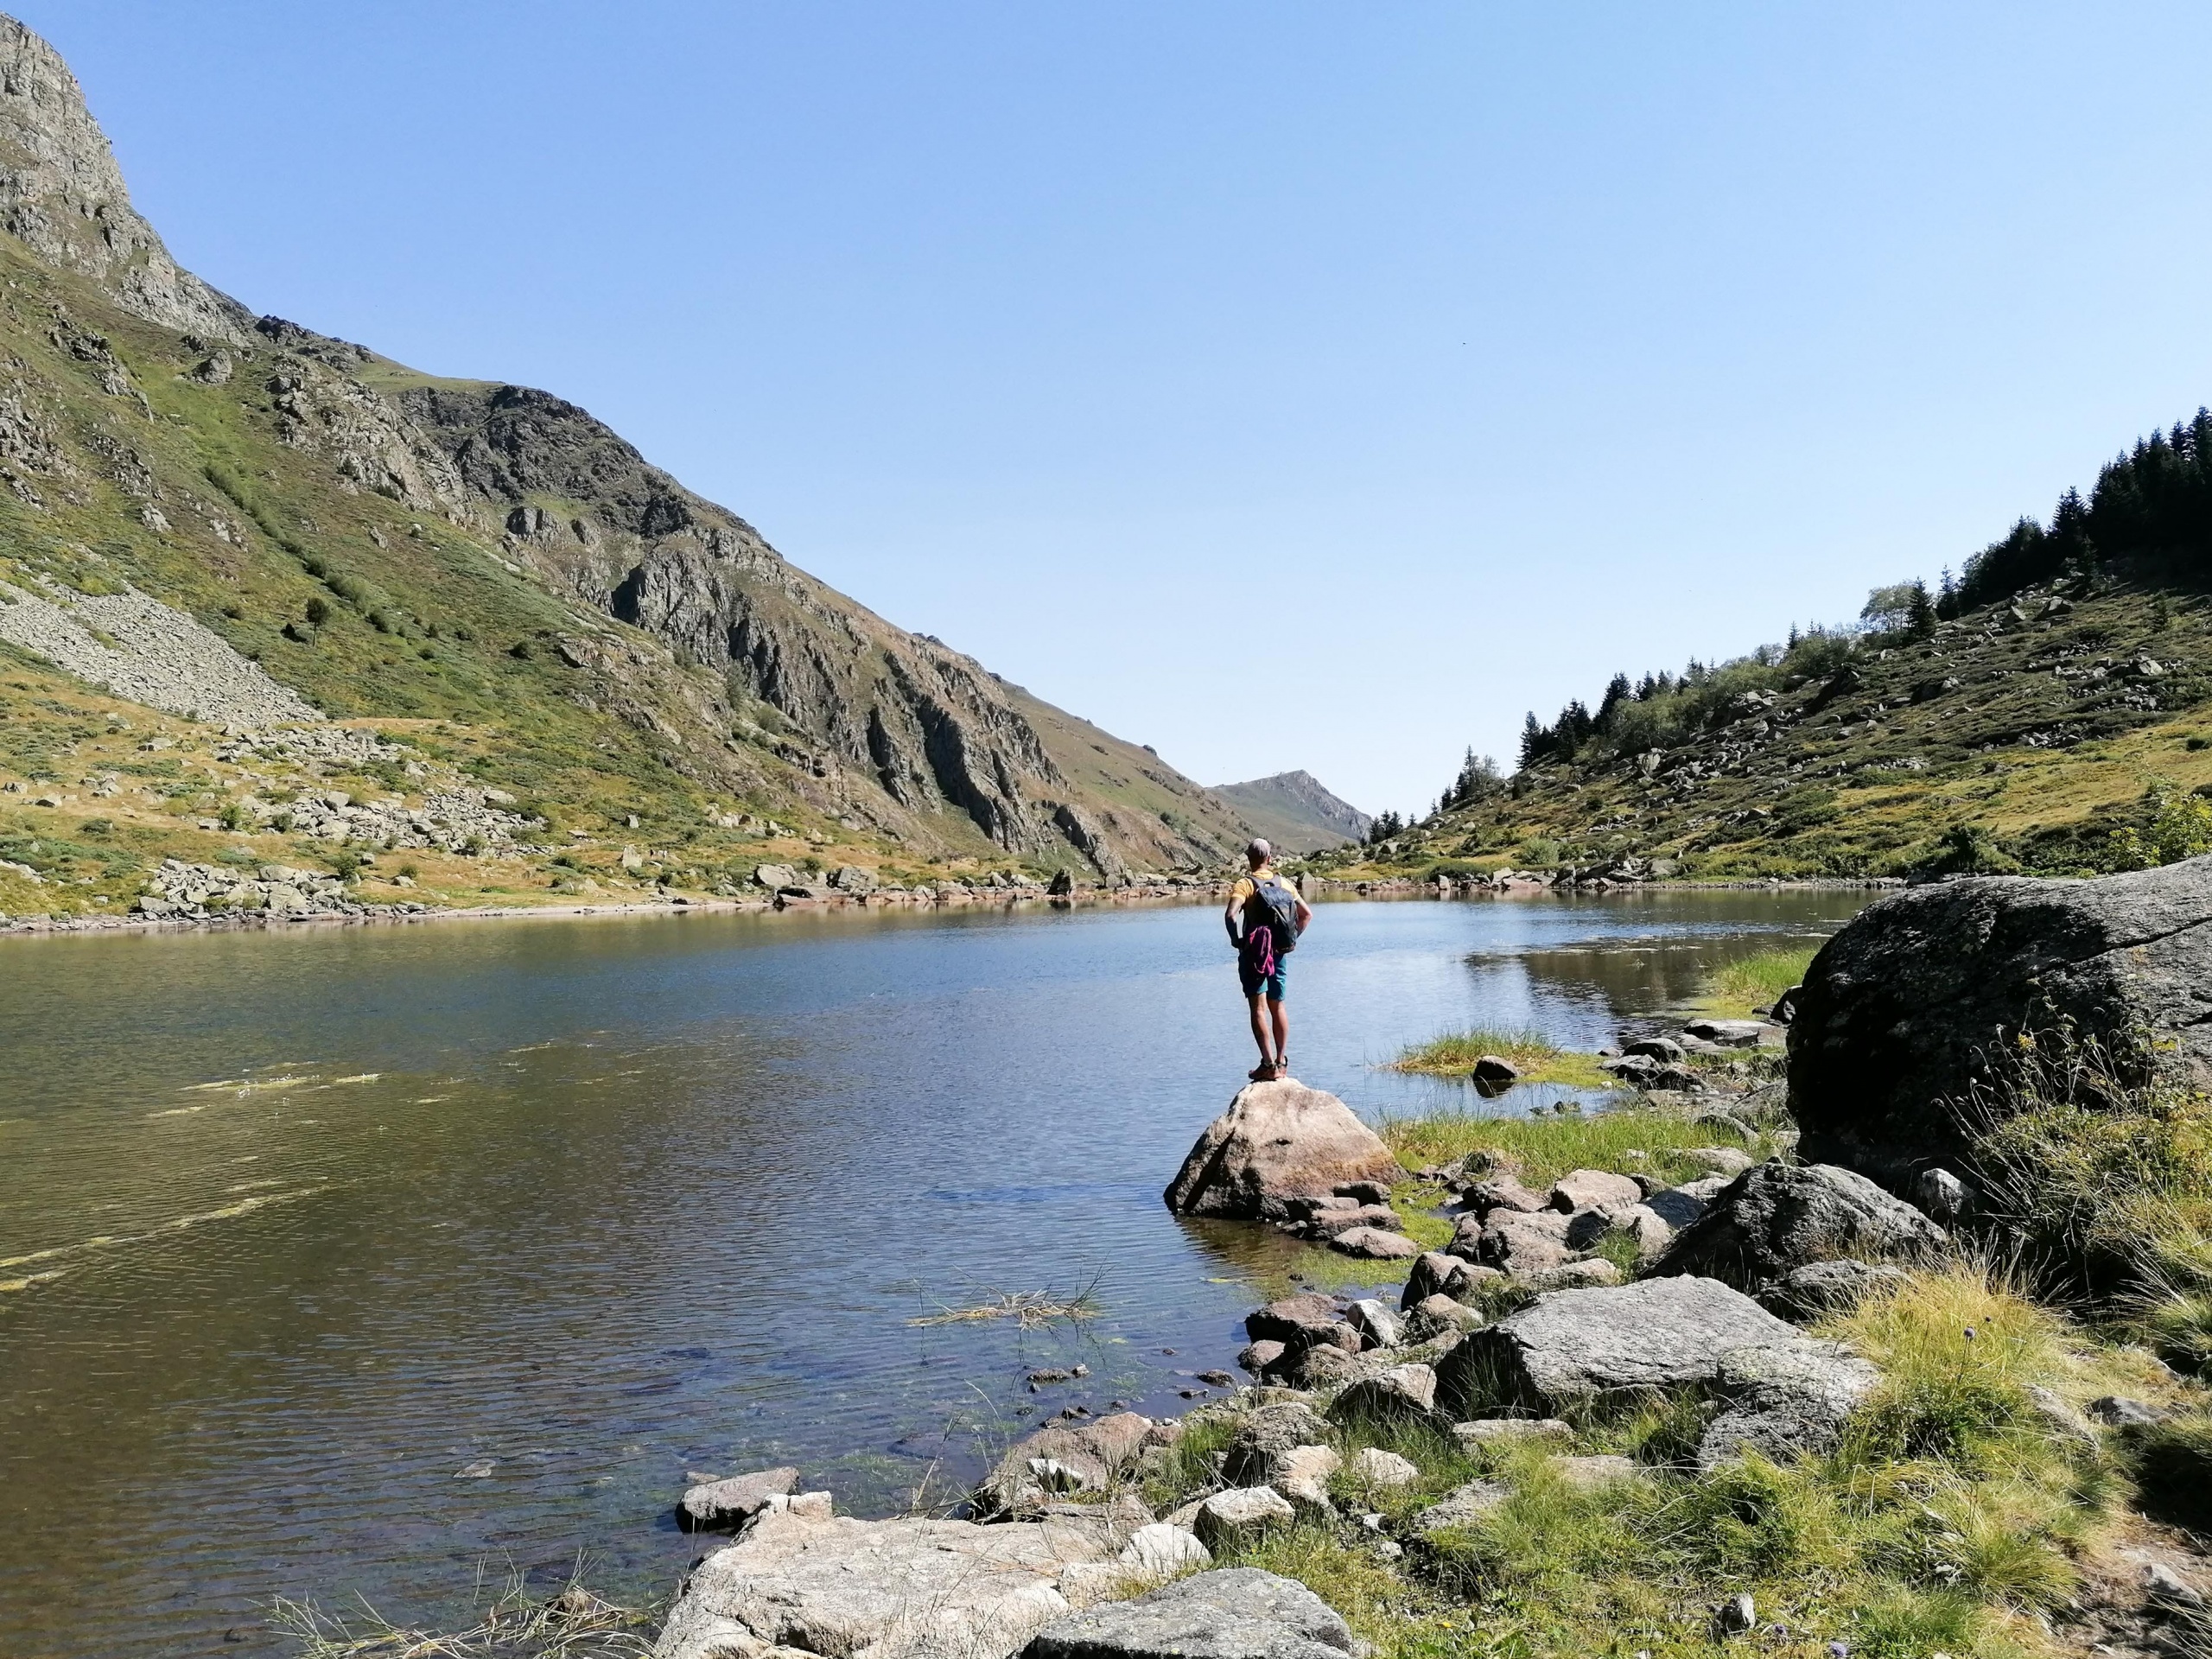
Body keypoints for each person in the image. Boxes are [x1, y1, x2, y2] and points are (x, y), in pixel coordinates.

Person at [1224, 838, 1313, 1082]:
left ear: (1249, 859)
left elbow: (1231, 916)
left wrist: (1237, 941)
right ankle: (1282, 1063)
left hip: (1254, 954)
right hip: (1279, 953)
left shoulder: (1245, 884)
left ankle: (1267, 1064)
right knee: (1278, 1006)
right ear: (1269, 858)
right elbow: (1306, 915)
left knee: (1258, 1009)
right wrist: (1290, 941)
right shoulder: (1284, 883)